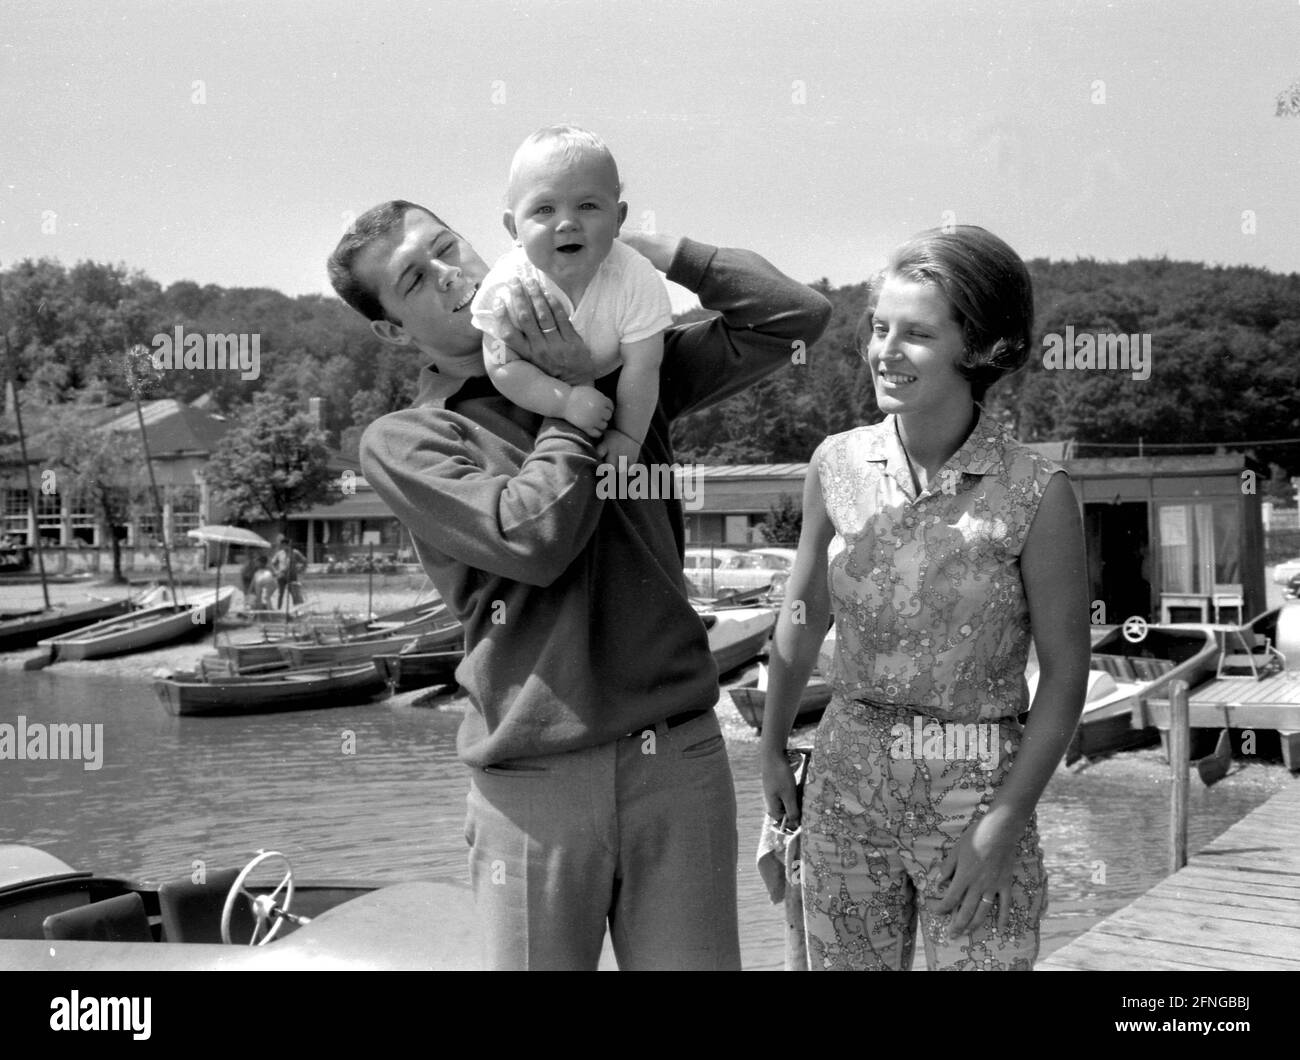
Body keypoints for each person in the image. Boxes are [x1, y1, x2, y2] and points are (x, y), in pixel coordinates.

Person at [328, 199, 831, 969]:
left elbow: (796, 318)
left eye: (446, 247)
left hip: (678, 764)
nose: (449, 275)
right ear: (394, 331)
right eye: (414, 279)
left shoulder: (629, 361)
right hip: (533, 786)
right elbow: (534, 539)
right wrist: (569, 397)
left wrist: (630, 248)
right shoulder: (411, 438)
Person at [761, 225, 1090, 971]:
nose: (884, 351)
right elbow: (802, 617)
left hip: (976, 792)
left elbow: (1066, 677)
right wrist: (772, 748)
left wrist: (1002, 826)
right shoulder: (835, 464)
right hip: (844, 781)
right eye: (879, 329)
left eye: (915, 334)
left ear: (979, 349)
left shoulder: (1038, 492)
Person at [469, 125, 672, 468]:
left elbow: (644, 364)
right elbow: (501, 364)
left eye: (588, 205)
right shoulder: (506, 284)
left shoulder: (634, 276)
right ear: (513, 229)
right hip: (533, 397)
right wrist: (565, 402)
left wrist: (628, 435)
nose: (567, 223)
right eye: (544, 210)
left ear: (619, 219)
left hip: (616, 383)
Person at [270, 537, 307, 609]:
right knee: (280, 594)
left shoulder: (295, 552)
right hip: (281, 576)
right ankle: (279, 609)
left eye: (284, 545)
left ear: (288, 545)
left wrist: (301, 569)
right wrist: (276, 571)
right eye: (282, 545)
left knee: (294, 594)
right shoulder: (279, 553)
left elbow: (304, 561)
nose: (283, 547)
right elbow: (273, 563)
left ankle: (297, 610)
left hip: (292, 576)